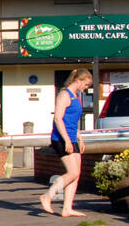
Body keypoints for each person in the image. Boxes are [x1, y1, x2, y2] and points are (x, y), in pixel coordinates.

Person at [40, 68, 93, 217]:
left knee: (76, 174)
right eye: (86, 84)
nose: (86, 88)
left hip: (72, 137)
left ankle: (67, 208)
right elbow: (58, 118)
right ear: (78, 81)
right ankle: (47, 196)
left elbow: (73, 121)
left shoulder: (76, 97)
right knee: (73, 172)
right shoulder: (64, 94)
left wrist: (79, 138)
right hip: (61, 138)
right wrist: (67, 140)